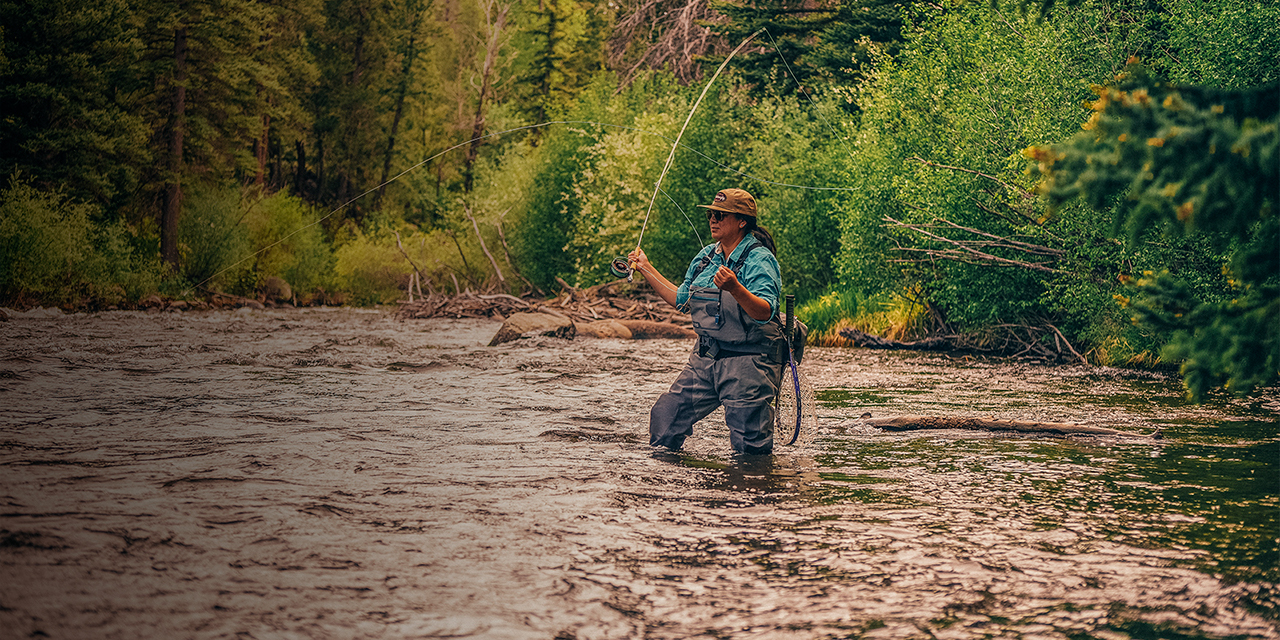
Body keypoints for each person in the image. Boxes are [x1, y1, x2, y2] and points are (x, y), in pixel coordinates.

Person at [627, 188, 785, 455]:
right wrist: (645, 267)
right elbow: (681, 299)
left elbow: (765, 311)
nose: (713, 219)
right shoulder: (705, 257)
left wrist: (736, 288)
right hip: (704, 360)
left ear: (742, 221)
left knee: (749, 449)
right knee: (666, 417)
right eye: (711, 214)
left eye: (720, 215)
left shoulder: (760, 259)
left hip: (748, 364)